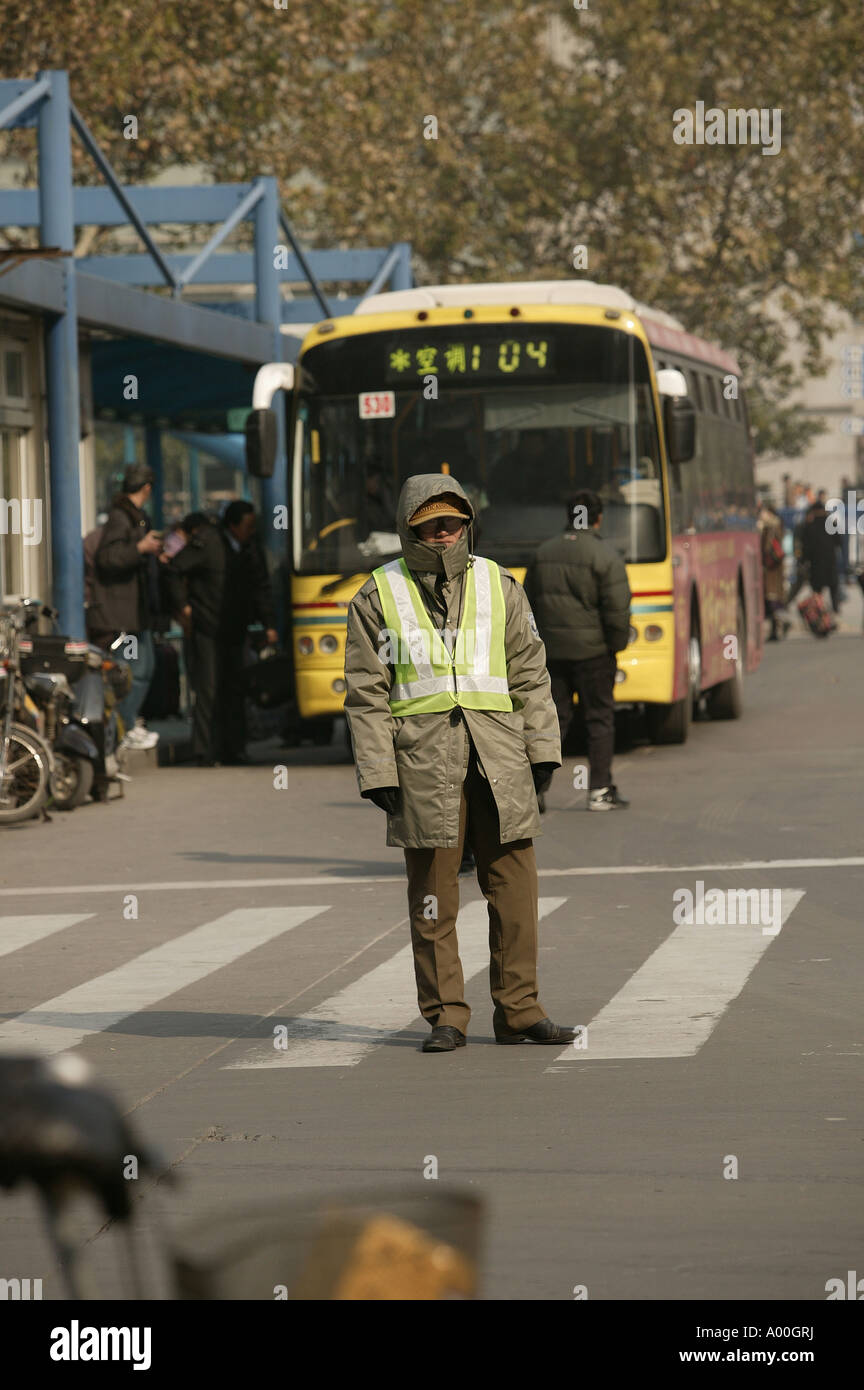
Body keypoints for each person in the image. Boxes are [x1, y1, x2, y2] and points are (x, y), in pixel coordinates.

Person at [344, 473, 577, 1054]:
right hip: (423, 767)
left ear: (468, 525)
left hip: (499, 760)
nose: (444, 535)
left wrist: (543, 750)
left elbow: (530, 673)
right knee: (433, 901)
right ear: (410, 528)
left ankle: (520, 1012)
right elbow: (366, 692)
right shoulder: (378, 595)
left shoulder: (501, 586)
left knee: (516, 895)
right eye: (431, 525)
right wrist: (377, 772)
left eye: (453, 523)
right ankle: (446, 1015)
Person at [524, 490, 631, 811]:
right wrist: (615, 645)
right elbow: (617, 611)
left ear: (569, 516)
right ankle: (599, 790)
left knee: (552, 721)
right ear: (597, 518)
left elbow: (528, 605)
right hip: (594, 654)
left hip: (552, 655)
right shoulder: (605, 556)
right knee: (599, 721)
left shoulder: (542, 553)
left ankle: (537, 790)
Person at [89, 465, 163, 750]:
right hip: (122, 614)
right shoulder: (121, 518)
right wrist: (140, 549)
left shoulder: (134, 517)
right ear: (147, 488)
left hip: (134, 612)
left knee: (140, 668)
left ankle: (126, 725)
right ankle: (125, 726)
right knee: (134, 670)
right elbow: (107, 558)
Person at [215, 500, 279, 764]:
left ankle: (237, 746)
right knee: (221, 690)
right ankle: (222, 747)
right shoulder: (217, 548)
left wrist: (269, 624)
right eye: (247, 526)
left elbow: (262, 588)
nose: (251, 531)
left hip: (241, 629)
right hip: (218, 630)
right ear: (232, 526)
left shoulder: (252, 549)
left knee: (239, 689)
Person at [162, 512, 227, 765]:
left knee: (215, 688)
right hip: (206, 627)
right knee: (208, 688)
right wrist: (184, 607)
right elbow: (173, 570)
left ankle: (221, 747)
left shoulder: (216, 541)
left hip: (221, 627)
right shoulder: (209, 542)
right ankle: (205, 749)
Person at [800, 496, 841, 614]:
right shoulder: (831, 523)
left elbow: (805, 546)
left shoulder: (809, 526)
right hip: (830, 561)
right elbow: (838, 541)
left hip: (816, 562)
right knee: (833, 586)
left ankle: (819, 609)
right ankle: (835, 608)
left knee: (817, 589)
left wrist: (803, 560)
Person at [757, 499, 791, 640]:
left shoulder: (771, 527)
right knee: (771, 601)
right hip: (772, 568)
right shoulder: (772, 526)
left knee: (772, 600)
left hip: (772, 568)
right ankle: (777, 628)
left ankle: (781, 624)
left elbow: (767, 547)